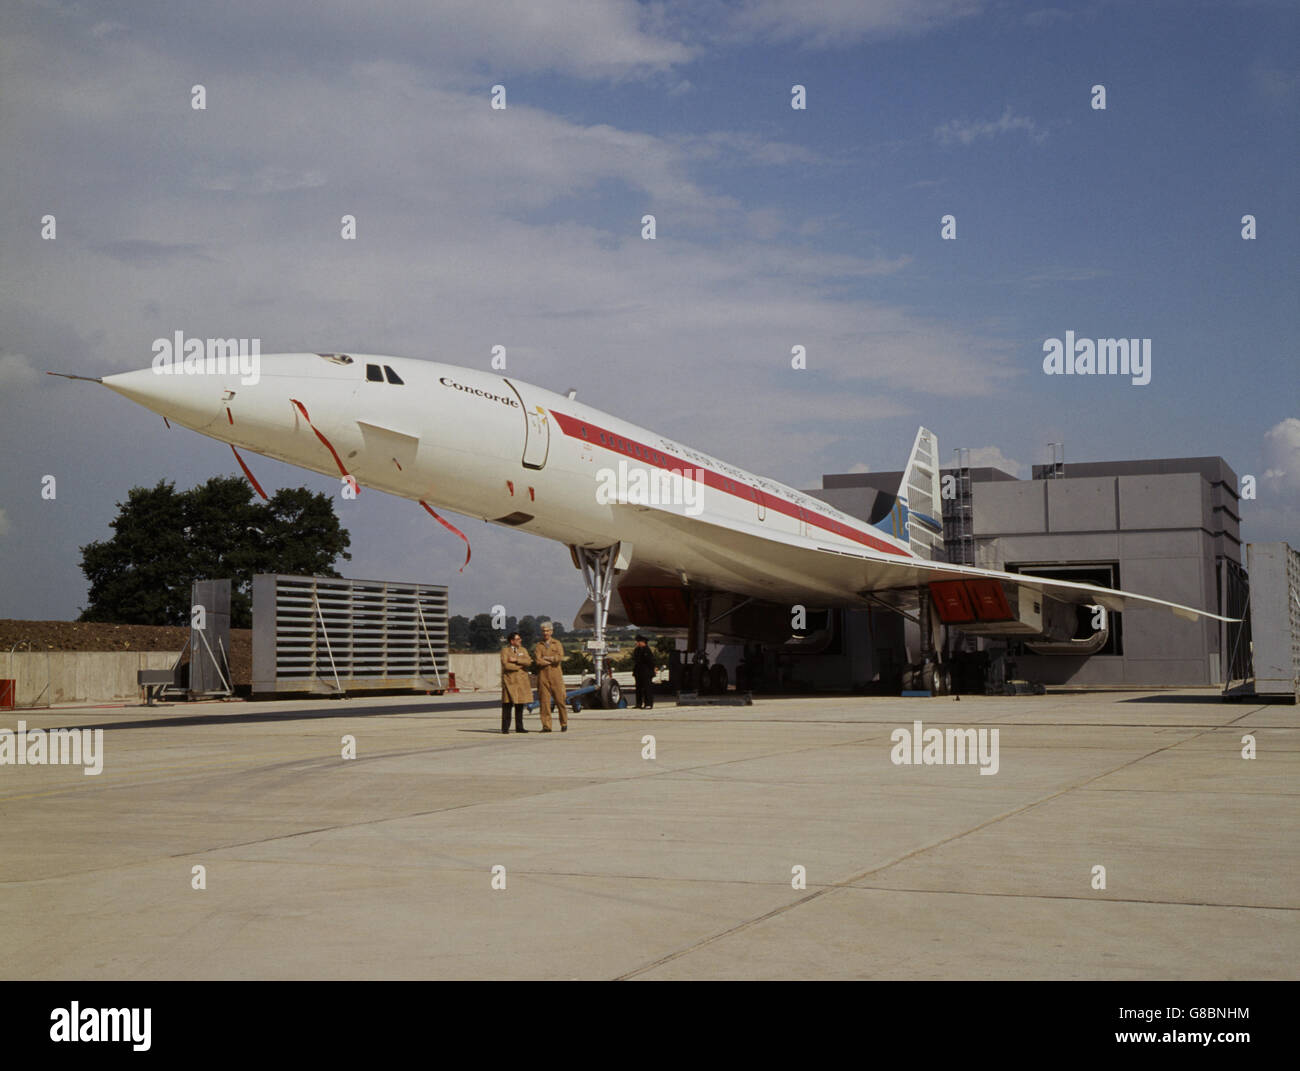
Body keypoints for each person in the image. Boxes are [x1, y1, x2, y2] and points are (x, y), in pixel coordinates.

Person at [533, 621, 568, 732]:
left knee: (560, 700)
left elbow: (559, 658)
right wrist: (550, 659)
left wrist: (547, 658)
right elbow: (538, 660)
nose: (545, 633)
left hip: (556, 676)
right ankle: (546, 726)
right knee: (544, 703)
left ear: (551, 631)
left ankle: (564, 723)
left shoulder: (557, 644)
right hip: (543, 676)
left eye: (547, 631)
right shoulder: (539, 645)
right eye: (543, 631)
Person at [499, 631, 532, 734]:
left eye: (520, 639)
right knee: (507, 706)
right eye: (518, 639)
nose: (520, 641)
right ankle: (505, 728)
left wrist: (516, 660)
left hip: (521, 682)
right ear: (512, 641)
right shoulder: (505, 651)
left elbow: (528, 661)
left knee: (520, 706)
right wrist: (520, 666)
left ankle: (519, 727)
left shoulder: (523, 650)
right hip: (510, 682)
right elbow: (506, 665)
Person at [632, 635, 657, 709]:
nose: (637, 643)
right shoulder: (637, 650)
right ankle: (638, 703)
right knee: (638, 688)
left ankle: (648, 703)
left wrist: (653, 669)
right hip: (638, 672)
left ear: (642, 642)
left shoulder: (647, 650)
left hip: (646, 672)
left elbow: (651, 661)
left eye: (638, 641)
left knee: (647, 688)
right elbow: (636, 660)